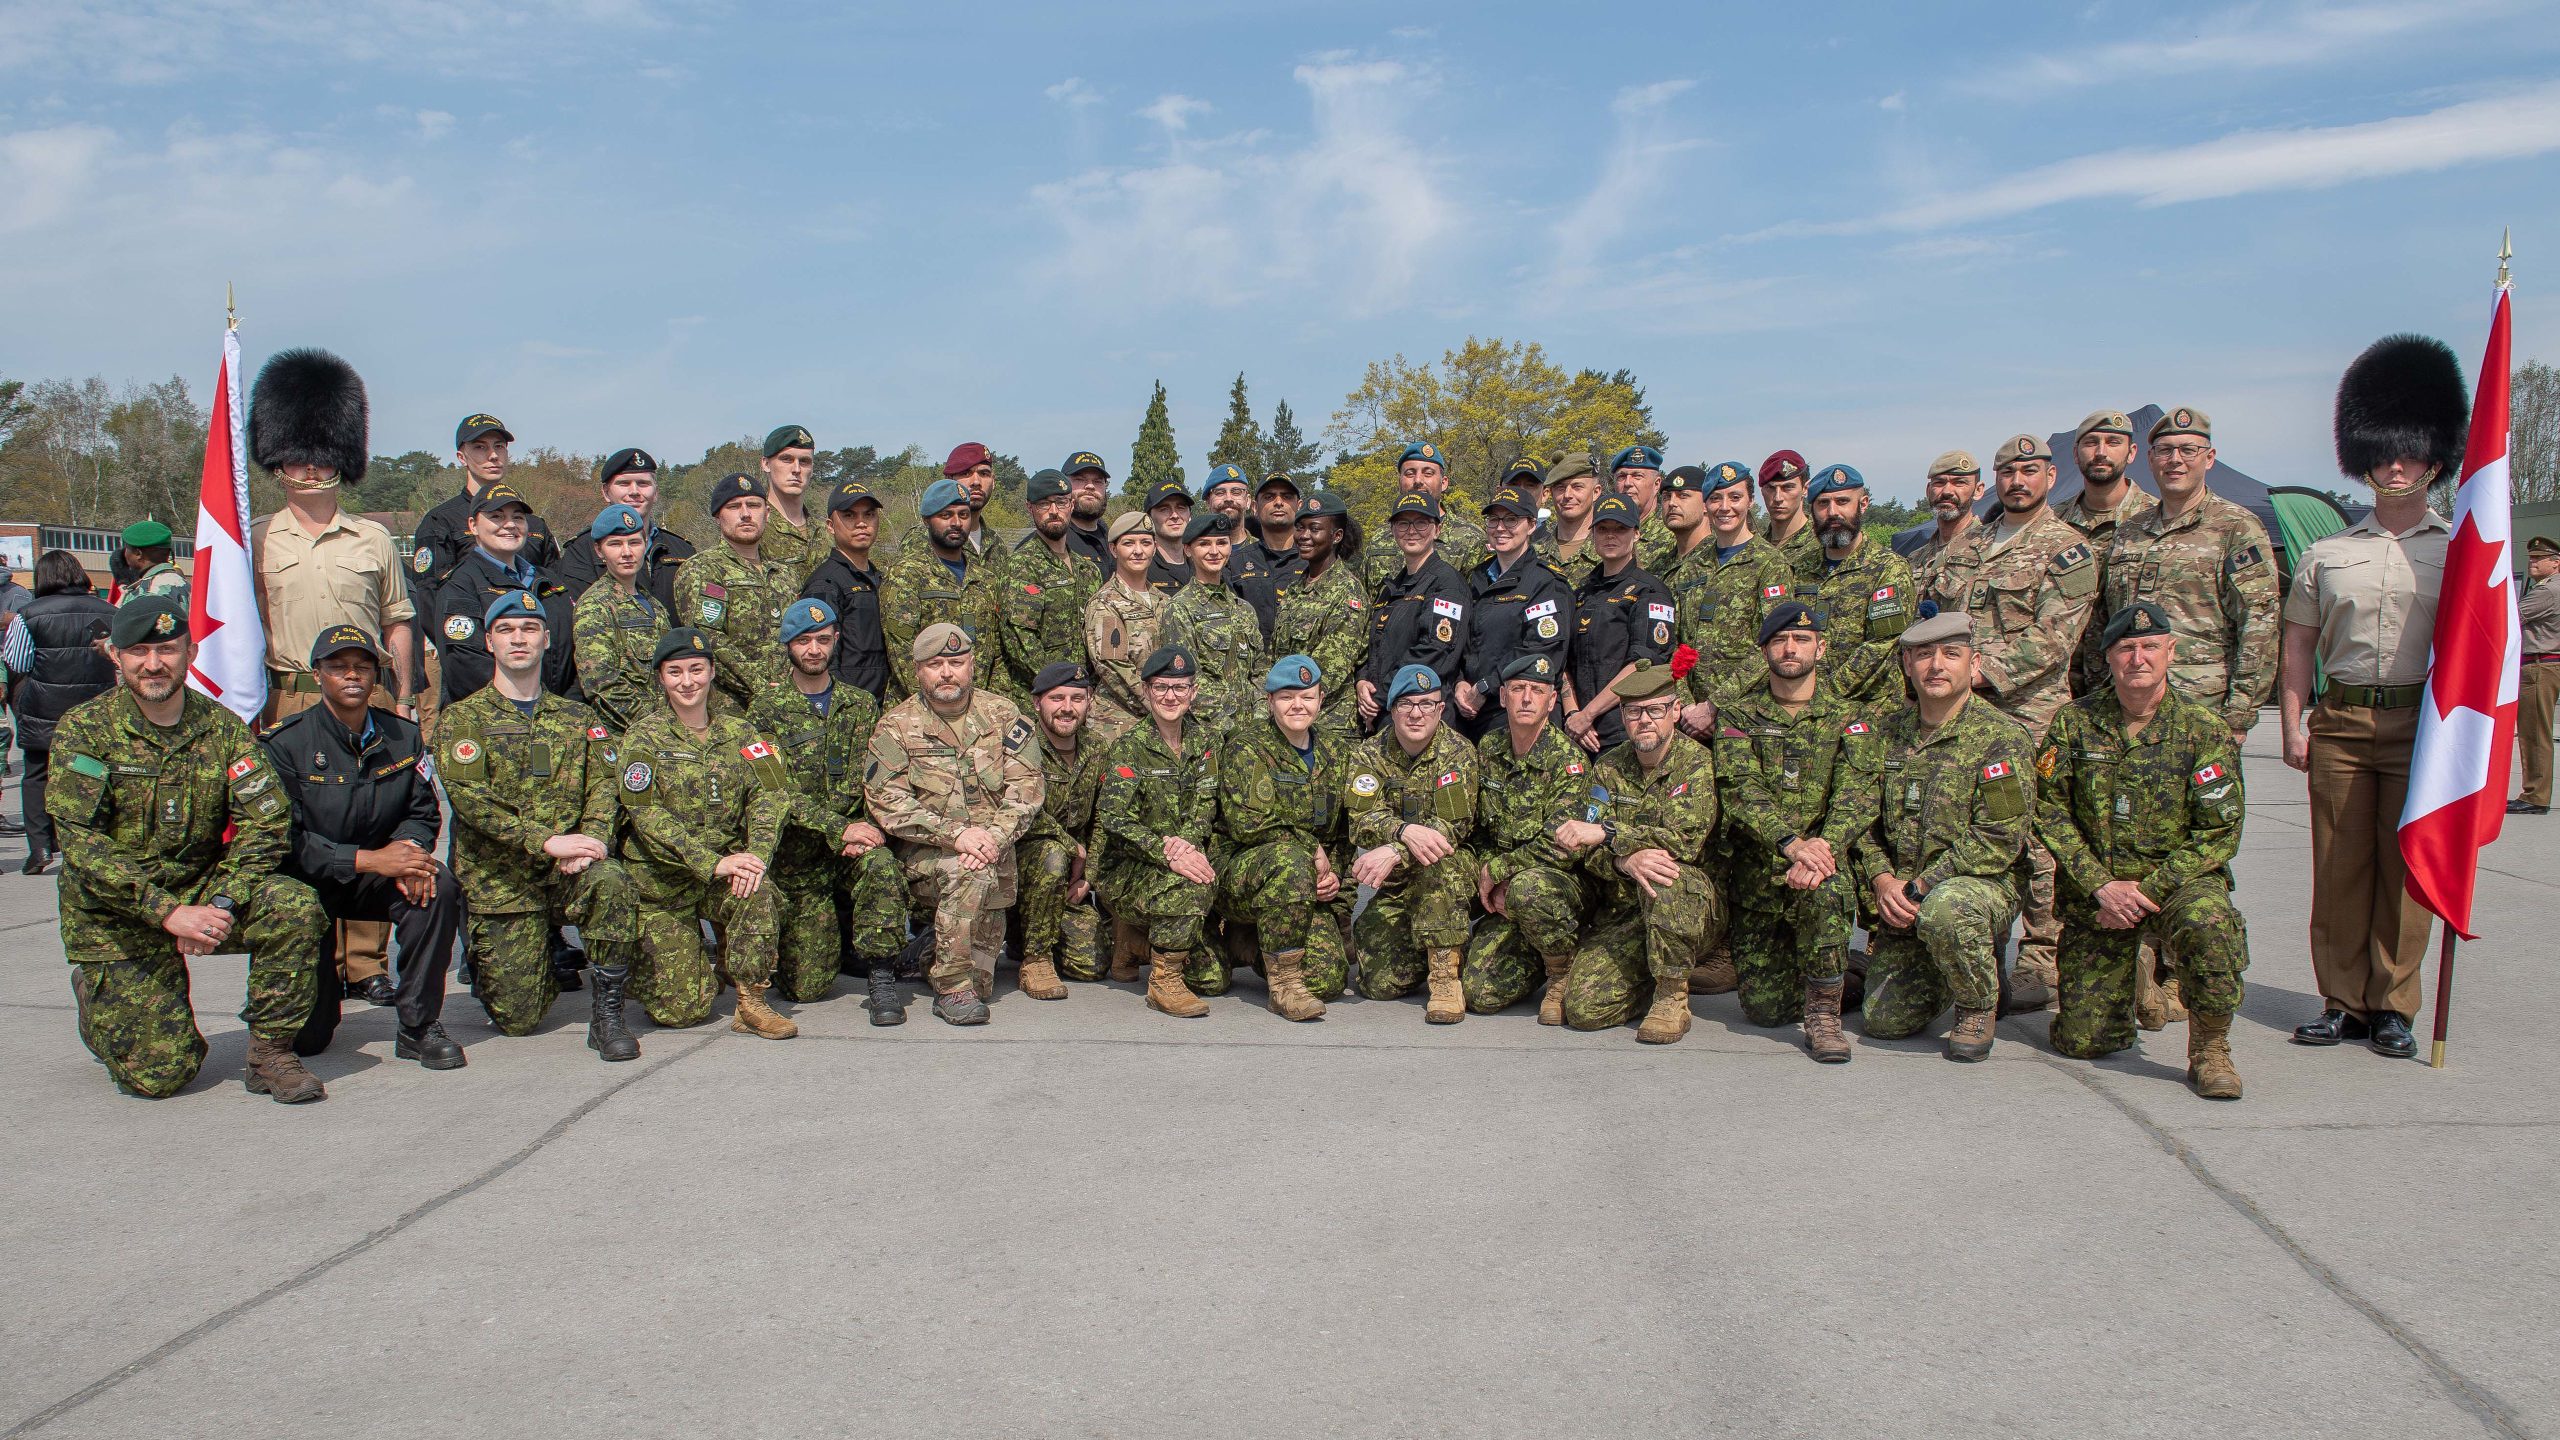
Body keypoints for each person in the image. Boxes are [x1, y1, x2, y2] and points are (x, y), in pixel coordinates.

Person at [47, 596, 329, 1101]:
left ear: (191, 652)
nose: (153, 664)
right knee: (162, 1076)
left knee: (293, 906)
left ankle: (270, 1055)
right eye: (138, 651)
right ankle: (100, 993)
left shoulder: (221, 728)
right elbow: (81, 843)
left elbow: (266, 823)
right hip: (118, 909)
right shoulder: (86, 731)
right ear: (116, 655)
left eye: (167, 649)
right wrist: (167, 912)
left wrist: (219, 905)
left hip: (201, 890)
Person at [2282, 333, 2466, 1059]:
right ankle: (2342, 1001)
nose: (2396, 465)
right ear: (2362, 459)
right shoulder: (2327, 554)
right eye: (2383, 453)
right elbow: (2298, 646)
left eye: (2410, 453)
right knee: (2340, 867)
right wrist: (2296, 725)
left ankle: (2393, 1004)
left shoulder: (2459, 550)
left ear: (2435, 459)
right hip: (2344, 719)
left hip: (2424, 723)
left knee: (2409, 868)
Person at [2036, 602, 2250, 1099]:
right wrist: (2100, 886)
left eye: (2150, 646)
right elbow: (2048, 811)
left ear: (2171, 651)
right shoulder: (2074, 724)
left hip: (2175, 885)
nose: (2138, 659)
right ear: (2108, 658)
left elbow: (2219, 831)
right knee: (2084, 1042)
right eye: (2125, 649)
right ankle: (2142, 983)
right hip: (2100, 892)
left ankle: (2211, 1050)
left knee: (2210, 923)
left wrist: (2146, 892)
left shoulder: (2203, 730)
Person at [1921, 433, 2102, 1012]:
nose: (2017, 481)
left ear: (2050, 477)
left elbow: (2054, 637)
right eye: (2008, 472)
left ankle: (2041, 955)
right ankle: (1980, 950)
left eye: (2029, 470)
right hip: (1958, 712)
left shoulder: (2066, 549)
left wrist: (1972, 673)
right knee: (1962, 821)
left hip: (2027, 712)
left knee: (2034, 832)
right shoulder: (1968, 547)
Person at [436, 589, 643, 1057]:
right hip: (502, 880)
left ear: (547, 639)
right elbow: (470, 802)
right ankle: (515, 959)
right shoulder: (463, 720)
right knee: (518, 1018)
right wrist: (548, 841)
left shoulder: (579, 718)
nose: (519, 639)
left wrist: (590, 840)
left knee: (611, 882)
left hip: (570, 870)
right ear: (489, 642)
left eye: (529, 629)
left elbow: (606, 785)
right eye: (506, 630)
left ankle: (607, 1014)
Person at [259, 624, 464, 1069]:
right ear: (318, 675)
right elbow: (282, 838)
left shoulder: (403, 737)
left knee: (437, 887)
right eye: (338, 667)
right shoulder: (285, 744)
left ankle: (418, 1025)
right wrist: (370, 858)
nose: (351, 676)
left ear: (376, 676)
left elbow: (423, 810)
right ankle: (312, 998)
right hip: (307, 883)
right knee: (311, 1039)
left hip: (378, 876)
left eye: (362, 667)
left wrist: (409, 853)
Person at [1850, 608, 2034, 1061]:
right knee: (1882, 1022)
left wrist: (1921, 886)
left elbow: (1998, 836)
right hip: (1902, 892)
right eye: (1924, 655)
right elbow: (1862, 819)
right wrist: (1882, 880)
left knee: (1949, 910)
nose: (1936, 666)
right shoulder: (1887, 733)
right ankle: (1953, 968)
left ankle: (1977, 1003)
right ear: (1907, 666)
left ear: (1973, 666)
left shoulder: (2001, 738)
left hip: (1975, 886)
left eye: (1951, 654)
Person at [1713, 602, 1880, 1059]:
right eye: (1780, 640)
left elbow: (1858, 793)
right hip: (1760, 876)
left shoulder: (1850, 717)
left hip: (1821, 870)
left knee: (1826, 895)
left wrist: (1820, 848)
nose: (1790, 648)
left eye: (1801, 639)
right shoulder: (1738, 716)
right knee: (1765, 1011)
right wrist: (1792, 845)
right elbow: (1741, 790)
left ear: (1820, 648)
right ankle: (1847, 972)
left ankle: (1824, 1016)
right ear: (1764, 649)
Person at [613, 628, 798, 1037]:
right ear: (660, 677)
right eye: (675, 671)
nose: (687, 681)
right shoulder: (642, 738)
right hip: (663, 881)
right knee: (681, 1011)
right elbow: (644, 813)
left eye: (697, 669)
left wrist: (756, 856)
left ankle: (750, 1004)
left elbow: (773, 794)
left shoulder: (743, 732)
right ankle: (656, 967)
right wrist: (710, 862)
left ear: (712, 672)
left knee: (758, 888)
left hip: (726, 868)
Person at [864, 622, 1042, 1023]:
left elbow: (1027, 788)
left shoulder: (1004, 715)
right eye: (935, 664)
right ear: (917, 670)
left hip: (993, 858)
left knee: (986, 984)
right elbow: (886, 799)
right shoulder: (897, 726)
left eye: (956, 662)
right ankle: (951, 990)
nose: (947, 672)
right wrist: (958, 835)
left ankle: (931, 950)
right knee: (968, 873)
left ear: (972, 665)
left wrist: (991, 839)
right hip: (928, 860)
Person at [746, 599, 909, 1011]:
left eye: (822, 639)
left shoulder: (861, 705)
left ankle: (882, 976)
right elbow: (774, 790)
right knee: (806, 988)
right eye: (803, 641)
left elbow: (880, 778)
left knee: (883, 865)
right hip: (799, 858)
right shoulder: (762, 711)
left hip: (851, 847)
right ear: (787, 645)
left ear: (836, 639)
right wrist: (840, 829)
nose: (814, 649)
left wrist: (865, 830)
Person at [247, 349, 418, 724]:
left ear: (340, 458)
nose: (310, 467)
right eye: (296, 457)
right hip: (287, 701)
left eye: (322, 457)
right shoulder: (256, 539)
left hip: (370, 697)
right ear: (277, 462)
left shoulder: (375, 538)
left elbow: (396, 622)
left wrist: (404, 700)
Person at [1554, 662, 1719, 1043]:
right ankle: (1650, 970)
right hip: (1625, 908)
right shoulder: (1610, 767)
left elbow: (1684, 841)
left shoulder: (1697, 764)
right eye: (1633, 712)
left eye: (1655, 710)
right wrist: (1623, 859)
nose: (1644, 721)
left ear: (1676, 711)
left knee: (1666, 872)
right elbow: (1586, 849)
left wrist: (1610, 834)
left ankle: (1672, 995)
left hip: (1690, 904)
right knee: (1583, 1011)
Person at [2100, 408, 2281, 741]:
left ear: (2209, 458)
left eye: (2188, 450)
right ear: (2151, 459)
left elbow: (2260, 624)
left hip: (2201, 707)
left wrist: (2239, 714)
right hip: (2126, 704)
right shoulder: (2130, 531)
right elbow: (2107, 620)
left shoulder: (2237, 527)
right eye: (2165, 451)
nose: (2175, 460)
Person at [1212, 655, 1354, 1019]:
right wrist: (1311, 848)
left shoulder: (1336, 753)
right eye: (1287, 696)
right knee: (1289, 859)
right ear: (1270, 701)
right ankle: (1285, 987)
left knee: (1327, 980)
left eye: (1307, 696)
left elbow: (1343, 832)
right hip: (1240, 875)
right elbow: (1248, 824)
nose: (1298, 705)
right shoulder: (1248, 746)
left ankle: (1248, 944)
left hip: (1300, 886)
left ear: (1321, 700)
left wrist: (1332, 877)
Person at [407, 412, 558, 734]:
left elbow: (553, 596)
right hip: (475, 676)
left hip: (542, 677)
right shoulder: (441, 522)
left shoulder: (535, 525)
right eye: (480, 447)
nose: (492, 455)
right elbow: (433, 604)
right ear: (461, 456)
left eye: (499, 446)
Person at [1093, 645, 1222, 1016]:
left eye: (1180, 688)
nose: (1170, 696)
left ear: (1193, 692)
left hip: (1183, 857)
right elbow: (1115, 820)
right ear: (1146, 691)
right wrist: (1169, 852)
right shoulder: (1129, 747)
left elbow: (1205, 803)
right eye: (1161, 687)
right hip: (1126, 868)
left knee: (1213, 979)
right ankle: (1163, 982)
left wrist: (1189, 846)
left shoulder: (1206, 743)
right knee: (1193, 882)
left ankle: (1133, 943)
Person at [1346, 664, 1478, 1022]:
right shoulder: (1368, 755)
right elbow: (1359, 821)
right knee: (1378, 984)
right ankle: (1437, 940)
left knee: (1439, 863)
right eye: (1406, 704)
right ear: (1391, 709)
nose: (1416, 713)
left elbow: (1453, 825)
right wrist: (1403, 831)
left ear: (1441, 708)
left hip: (1447, 871)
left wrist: (1395, 847)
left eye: (1426, 704)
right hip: (1400, 883)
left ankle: (1445, 977)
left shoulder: (1458, 752)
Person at [1462, 654, 1589, 1020]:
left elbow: (1562, 847)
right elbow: (1477, 828)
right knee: (1479, 995)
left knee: (1527, 889)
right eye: (1518, 689)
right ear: (1503, 697)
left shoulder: (1569, 762)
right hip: (1503, 886)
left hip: (1554, 888)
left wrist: (1500, 871)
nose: (1527, 698)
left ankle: (1562, 970)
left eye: (1538, 690)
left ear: (1552, 702)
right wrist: (1488, 870)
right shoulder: (1488, 750)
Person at [4, 551, 115, 876]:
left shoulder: (29, 614)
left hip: (44, 707)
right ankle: (91, 842)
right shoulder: (108, 611)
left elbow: (18, 663)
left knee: (37, 776)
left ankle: (40, 847)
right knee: (95, 773)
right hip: (97, 707)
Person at [430, 482, 578, 707]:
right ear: (473, 525)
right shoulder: (460, 586)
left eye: (518, 517)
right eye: (497, 517)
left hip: (559, 721)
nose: (509, 525)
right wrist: (528, 707)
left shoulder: (550, 581)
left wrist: (563, 710)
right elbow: (465, 668)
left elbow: (575, 652)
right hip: (492, 721)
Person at [1014, 662, 1109, 998]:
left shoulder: (1096, 748)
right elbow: (1020, 808)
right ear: (1037, 702)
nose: (1067, 708)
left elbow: (1103, 818)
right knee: (1052, 855)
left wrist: (1089, 878)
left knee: (1094, 964)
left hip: (1068, 879)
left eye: (1077, 698)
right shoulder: (1019, 744)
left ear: (1089, 701)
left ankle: (1023, 934)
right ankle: (1035, 960)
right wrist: (1071, 845)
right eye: (1057, 698)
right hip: (1019, 867)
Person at [1676, 460, 1798, 714]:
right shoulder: (1692, 564)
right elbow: (1676, 641)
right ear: (1705, 505)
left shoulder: (1770, 563)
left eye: (1735, 497)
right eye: (1716, 498)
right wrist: (1687, 705)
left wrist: (1712, 707)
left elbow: (1773, 644)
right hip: (1689, 713)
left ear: (1750, 501)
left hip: (1747, 709)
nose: (1725, 507)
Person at [1455, 486, 1572, 740]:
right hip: (1469, 709)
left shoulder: (1546, 583)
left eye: (1511, 519)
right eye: (1493, 520)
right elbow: (1461, 639)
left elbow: (1540, 650)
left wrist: (1487, 686)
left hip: (1517, 712)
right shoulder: (1475, 578)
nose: (1500, 527)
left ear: (1531, 525)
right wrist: (1459, 682)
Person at [1792, 465, 1915, 706]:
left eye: (1843, 501)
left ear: (1863, 504)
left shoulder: (1888, 567)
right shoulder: (1798, 568)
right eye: (1823, 504)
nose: (1833, 512)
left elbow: (1881, 645)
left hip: (1869, 710)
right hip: (1804, 706)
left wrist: (1821, 695)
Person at [1564, 494, 1674, 753]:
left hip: (1623, 729)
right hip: (1576, 731)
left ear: (1636, 534)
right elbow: (1562, 661)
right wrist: (1573, 714)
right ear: (1593, 534)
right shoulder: (1581, 593)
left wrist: (1588, 714)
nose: (1610, 536)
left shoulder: (1650, 591)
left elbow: (1643, 664)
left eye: (1620, 529)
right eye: (1603, 529)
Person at [672, 472, 793, 708]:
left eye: (754, 505)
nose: (746, 514)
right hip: (731, 709)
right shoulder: (703, 569)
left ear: (767, 514)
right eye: (734, 506)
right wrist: (761, 687)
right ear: (718, 516)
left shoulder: (784, 574)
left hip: (788, 703)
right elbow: (709, 639)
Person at [2057, 410, 2157, 695]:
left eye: (2113, 442)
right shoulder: (2052, 523)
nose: (2101, 452)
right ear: (2076, 454)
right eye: (2091, 443)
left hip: (2131, 686)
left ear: (2132, 452)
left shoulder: (2157, 521)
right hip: (2063, 689)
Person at [1355, 491, 1470, 733]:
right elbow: (1375, 646)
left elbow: (1435, 650)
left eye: (1421, 522)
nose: (1411, 530)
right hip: (1388, 712)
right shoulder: (1391, 588)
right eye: (1403, 523)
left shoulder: (1447, 584)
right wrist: (1363, 682)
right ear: (1393, 530)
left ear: (1437, 530)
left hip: (1422, 717)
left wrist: (1381, 696)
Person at [880, 478, 1005, 698]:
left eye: (963, 515)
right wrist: (944, 706)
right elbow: (902, 653)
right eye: (946, 515)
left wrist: (990, 704)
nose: (956, 522)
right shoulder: (906, 575)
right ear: (927, 520)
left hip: (980, 712)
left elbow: (996, 654)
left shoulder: (985, 579)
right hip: (921, 709)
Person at [999, 469, 1103, 703]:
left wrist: (1087, 686)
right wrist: (1062, 685)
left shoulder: (1088, 571)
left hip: (1085, 695)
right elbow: (1020, 640)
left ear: (1072, 505)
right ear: (1030, 508)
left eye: (1061, 502)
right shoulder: (1022, 566)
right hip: (1041, 697)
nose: (1054, 511)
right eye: (1044, 504)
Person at [1159, 511, 1266, 736]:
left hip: (1254, 733)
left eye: (1222, 543)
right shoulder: (1180, 608)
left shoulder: (1243, 609)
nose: (1215, 551)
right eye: (1205, 544)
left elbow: (1260, 670)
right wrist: (1232, 731)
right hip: (1208, 734)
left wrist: (1260, 719)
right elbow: (1187, 679)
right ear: (1188, 550)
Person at [1271, 491, 1368, 736]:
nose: (1304, 536)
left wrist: (1282, 701)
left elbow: (1329, 670)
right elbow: (1276, 654)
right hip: (1288, 719)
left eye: (1314, 529)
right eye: (1300, 528)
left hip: (1327, 726)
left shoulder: (1348, 592)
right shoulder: (1296, 589)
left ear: (1336, 536)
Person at [551, 448, 696, 607]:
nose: (634, 491)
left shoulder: (683, 550)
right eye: (624, 483)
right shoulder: (582, 551)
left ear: (656, 492)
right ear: (606, 492)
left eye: (643, 483)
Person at [569, 503, 669, 733]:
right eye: (615, 544)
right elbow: (600, 683)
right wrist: (657, 727)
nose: (627, 552)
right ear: (599, 550)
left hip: (665, 729)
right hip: (625, 734)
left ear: (645, 545)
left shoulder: (654, 605)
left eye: (634, 542)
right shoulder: (595, 604)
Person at [800, 479, 894, 701]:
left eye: (869, 515)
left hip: (885, 706)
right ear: (830, 526)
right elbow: (822, 658)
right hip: (850, 708)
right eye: (850, 516)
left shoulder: (881, 579)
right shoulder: (825, 583)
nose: (861, 523)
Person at [1083, 513, 1169, 743]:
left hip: (1163, 719)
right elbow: (1113, 667)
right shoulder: (1106, 603)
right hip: (1118, 723)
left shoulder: (1165, 602)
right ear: (1113, 549)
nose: (1138, 551)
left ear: (1155, 548)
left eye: (1145, 543)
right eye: (1129, 543)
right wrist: (1160, 706)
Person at [1360, 441, 1488, 588]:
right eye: (1410, 473)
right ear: (1400, 481)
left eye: (1428, 473)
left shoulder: (1471, 539)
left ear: (1444, 482)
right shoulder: (1379, 540)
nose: (1418, 481)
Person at [1230, 471, 1306, 641]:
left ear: (1299, 506)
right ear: (1255, 507)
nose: (1278, 502)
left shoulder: (1315, 562)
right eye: (1269, 497)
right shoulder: (1235, 564)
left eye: (1286, 496)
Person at [2515, 534, 2560, 815]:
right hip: (2547, 663)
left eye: (2538, 559)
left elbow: (2510, 616)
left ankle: (2535, 796)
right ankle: (2536, 794)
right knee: (2538, 732)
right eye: (2531, 558)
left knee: (2534, 734)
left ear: (2555, 564)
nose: (2532, 563)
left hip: (2540, 665)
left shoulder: (2547, 591)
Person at [1907, 450, 1986, 601]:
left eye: (1959, 482)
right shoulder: (1915, 559)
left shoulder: (1990, 550)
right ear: (1928, 491)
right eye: (1939, 483)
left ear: (1978, 490)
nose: (1947, 491)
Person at [755, 424, 827, 584]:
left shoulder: (826, 534)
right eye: (786, 459)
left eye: (804, 461)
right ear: (766, 464)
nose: (796, 469)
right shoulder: (754, 529)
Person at [1606, 444, 1680, 578]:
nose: (1628, 483)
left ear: (1656, 484)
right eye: (1621, 477)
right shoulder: (1602, 534)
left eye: (1637, 476)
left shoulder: (1674, 536)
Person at [1535, 453, 1606, 586]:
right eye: (1560, 488)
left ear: (1596, 492)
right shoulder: (1533, 553)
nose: (1567, 495)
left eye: (1577, 487)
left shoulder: (1611, 551)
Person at [1760, 451, 1819, 575]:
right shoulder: (1755, 548)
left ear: (1805, 489)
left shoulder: (1822, 545)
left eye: (1788, 487)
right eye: (1770, 488)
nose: (1778, 498)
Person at [1060, 450, 1116, 571]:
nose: (1090, 486)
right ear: (1063, 485)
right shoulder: (1049, 541)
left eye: (1098, 481)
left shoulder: (1116, 540)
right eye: (1080, 479)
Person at [1140, 479, 1196, 594]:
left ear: (1190, 514)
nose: (1175, 515)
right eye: (1164, 509)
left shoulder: (1202, 564)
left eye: (1181, 508)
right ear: (1148, 518)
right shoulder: (1142, 567)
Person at [115, 522, 188, 608]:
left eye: (127, 549)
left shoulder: (146, 593)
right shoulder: (186, 586)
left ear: (138, 553)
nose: (124, 554)